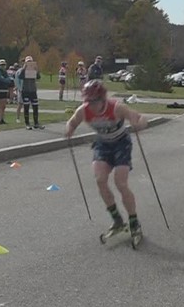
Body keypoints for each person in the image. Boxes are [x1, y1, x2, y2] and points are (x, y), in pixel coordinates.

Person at [64, 80, 149, 240]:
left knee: (120, 183)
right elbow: (72, 122)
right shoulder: (83, 110)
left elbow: (141, 117)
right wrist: (69, 129)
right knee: (100, 180)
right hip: (102, 144)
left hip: (121, 144)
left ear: (102, 99)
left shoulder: (116, 108)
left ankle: (134, 222)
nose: (91, 105)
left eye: (94, 101)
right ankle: (117, 220)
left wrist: (138, 125)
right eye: (88, 101)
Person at [20, 56, 42, 129]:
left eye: (30, 62)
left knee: (35, 107)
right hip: (25, 91)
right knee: (26, 107)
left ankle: (36, 123)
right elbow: (20, 76)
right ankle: (27, 123)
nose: (29, 63)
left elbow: (38, 77)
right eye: (28, 62)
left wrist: (36, 69)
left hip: (33, 91)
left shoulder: (33, 70)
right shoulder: (23, 70)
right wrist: (24, 68)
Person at [0, 58, 13, 124]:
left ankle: (2, 119)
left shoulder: (5, 72)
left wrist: (8, 80)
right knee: (1, 106)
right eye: (1, 65)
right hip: (0, 89)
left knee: (4, 106)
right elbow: (3, 80)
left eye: (4, 65)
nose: (3, 66)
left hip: (5, 89)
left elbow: (8, 79)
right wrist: (7, 80)